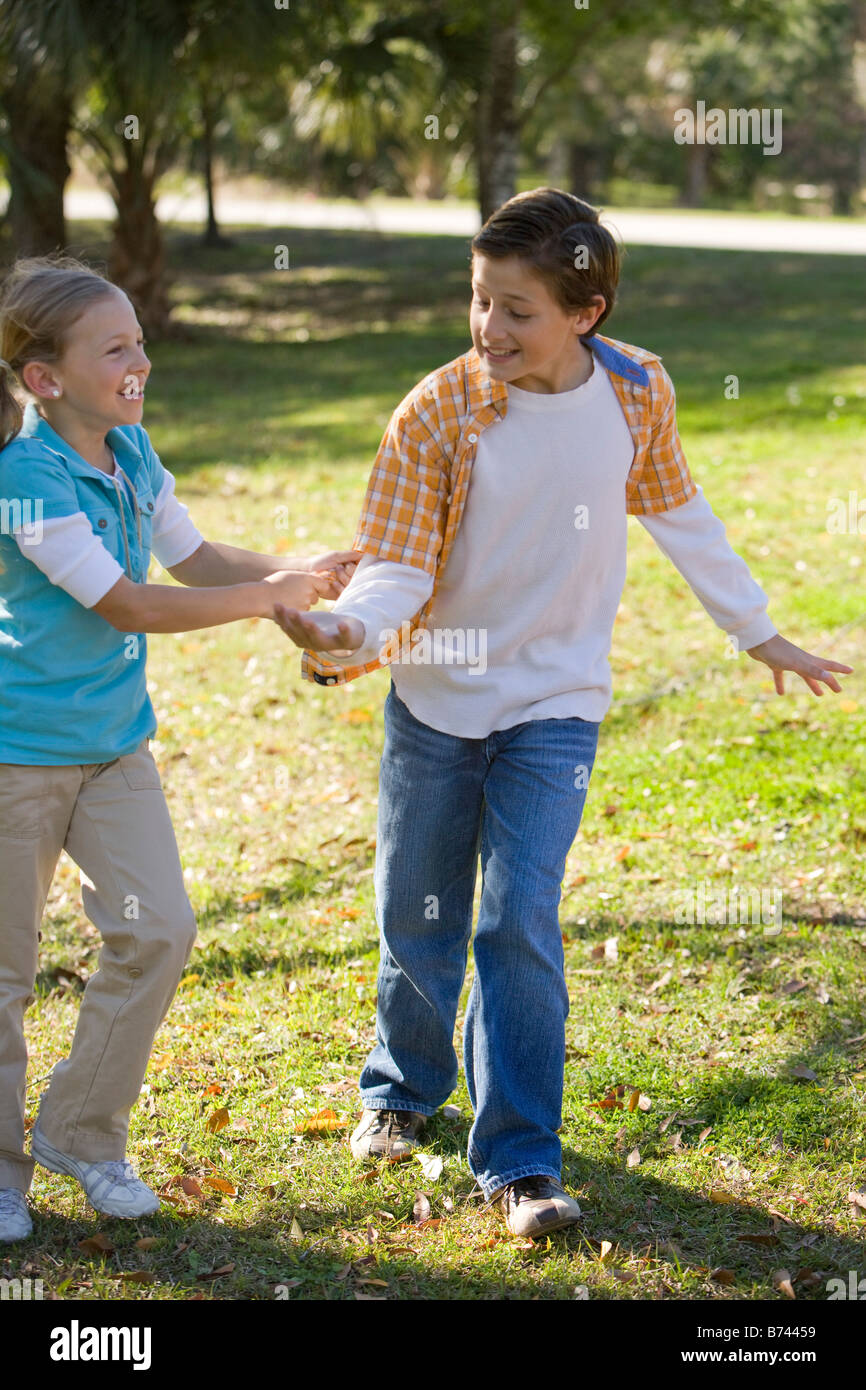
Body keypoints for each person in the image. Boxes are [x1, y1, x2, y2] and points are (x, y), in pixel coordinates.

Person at [273, 189, 853, 1240]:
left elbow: (681, 513)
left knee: (515, 918)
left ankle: (520, 1165)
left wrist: (756, 631)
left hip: (556, 705)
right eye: (478, 301)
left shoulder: (633, 391)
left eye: (516, 310)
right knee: (421, 912)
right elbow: (397, 563)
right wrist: (348, 633)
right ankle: (400, 1090)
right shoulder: (438, 410)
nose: (488, 329)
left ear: (584, 313)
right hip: (437, 698)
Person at [0, 256, 358, 1243]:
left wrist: (303, 578)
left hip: (114, 749)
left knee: (158, 928)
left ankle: (80, 1132)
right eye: (115, 348)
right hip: (16, 754)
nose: (140, 361)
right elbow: (129, 601)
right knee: (5, 973)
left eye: (141, 342)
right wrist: (267, 598)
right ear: (44, 379)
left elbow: (194, 561)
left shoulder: (133, 450)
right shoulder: (26, 477)